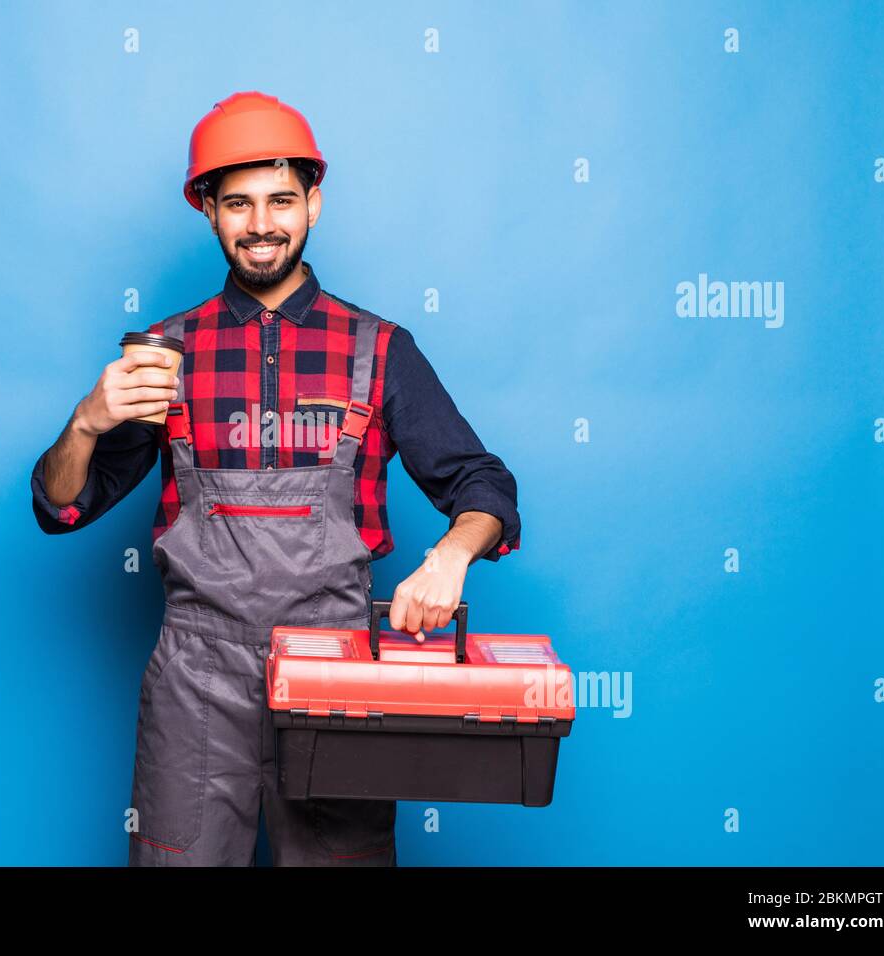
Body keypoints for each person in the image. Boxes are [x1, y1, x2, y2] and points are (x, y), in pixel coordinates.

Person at [30, 91, 521, 866]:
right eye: (238, 204)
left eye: (281, 200)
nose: (261, 223)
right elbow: (61, 506)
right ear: (209, 212)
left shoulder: (380, 350)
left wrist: (452, 555)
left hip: (337, 681)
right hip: (196, 684)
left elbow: (485, 486)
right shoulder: (164, 351)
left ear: (314, 204)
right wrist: (88, 420)